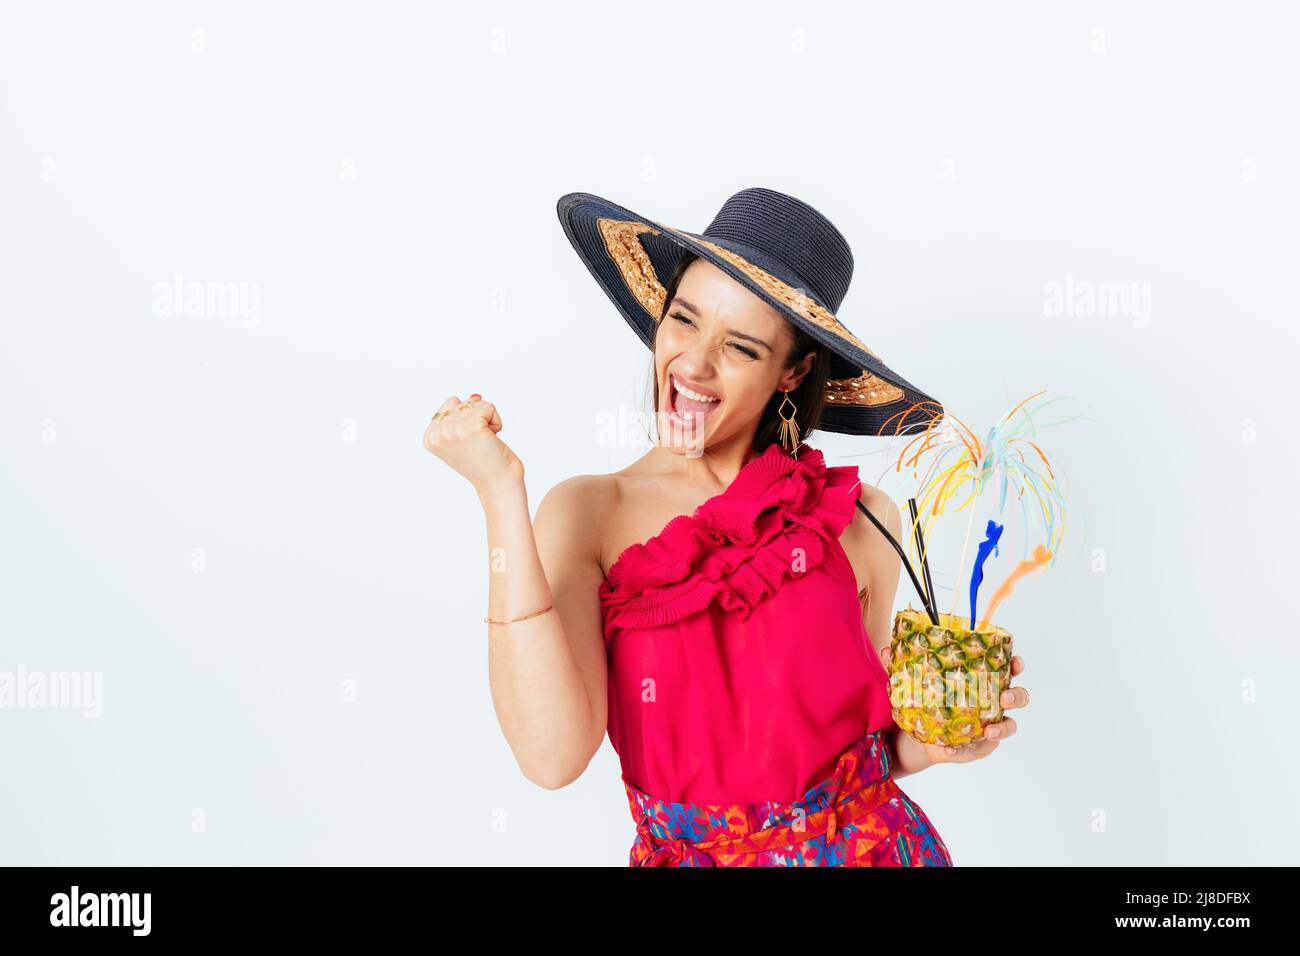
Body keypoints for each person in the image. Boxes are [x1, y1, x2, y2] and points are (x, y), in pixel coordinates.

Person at [423, 188, 1029, 865]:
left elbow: (868, 749)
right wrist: (499, 492)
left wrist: (939, 741)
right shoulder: (590, 512)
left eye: (740, 347)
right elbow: (551, 756)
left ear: (793, 371)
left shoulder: (859, 517)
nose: (693, 363)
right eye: (684, 319)